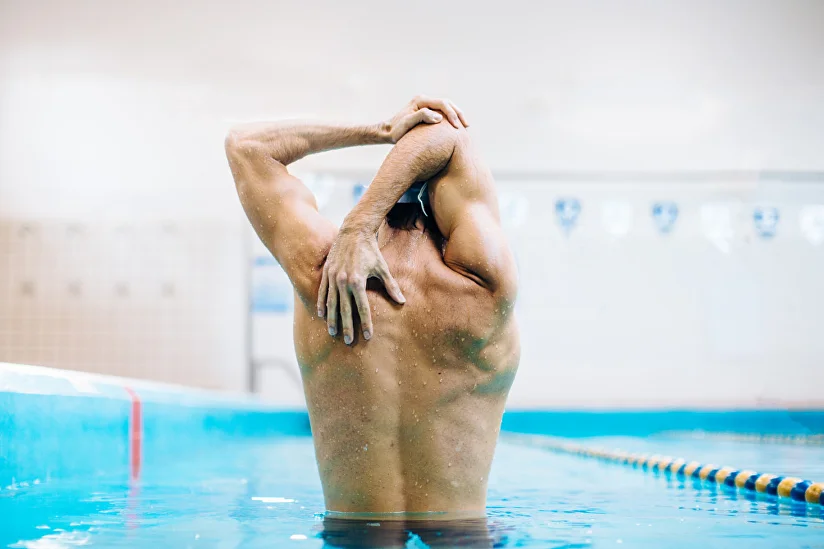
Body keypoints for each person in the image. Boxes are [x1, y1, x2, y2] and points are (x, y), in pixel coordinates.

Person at [224, 96, 520, 535]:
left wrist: (380, 132)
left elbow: (246, 145)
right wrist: (362, 220)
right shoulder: (483, 286)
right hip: (462, 537)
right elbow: (447, 134)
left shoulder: (321, 277)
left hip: (353, 537)